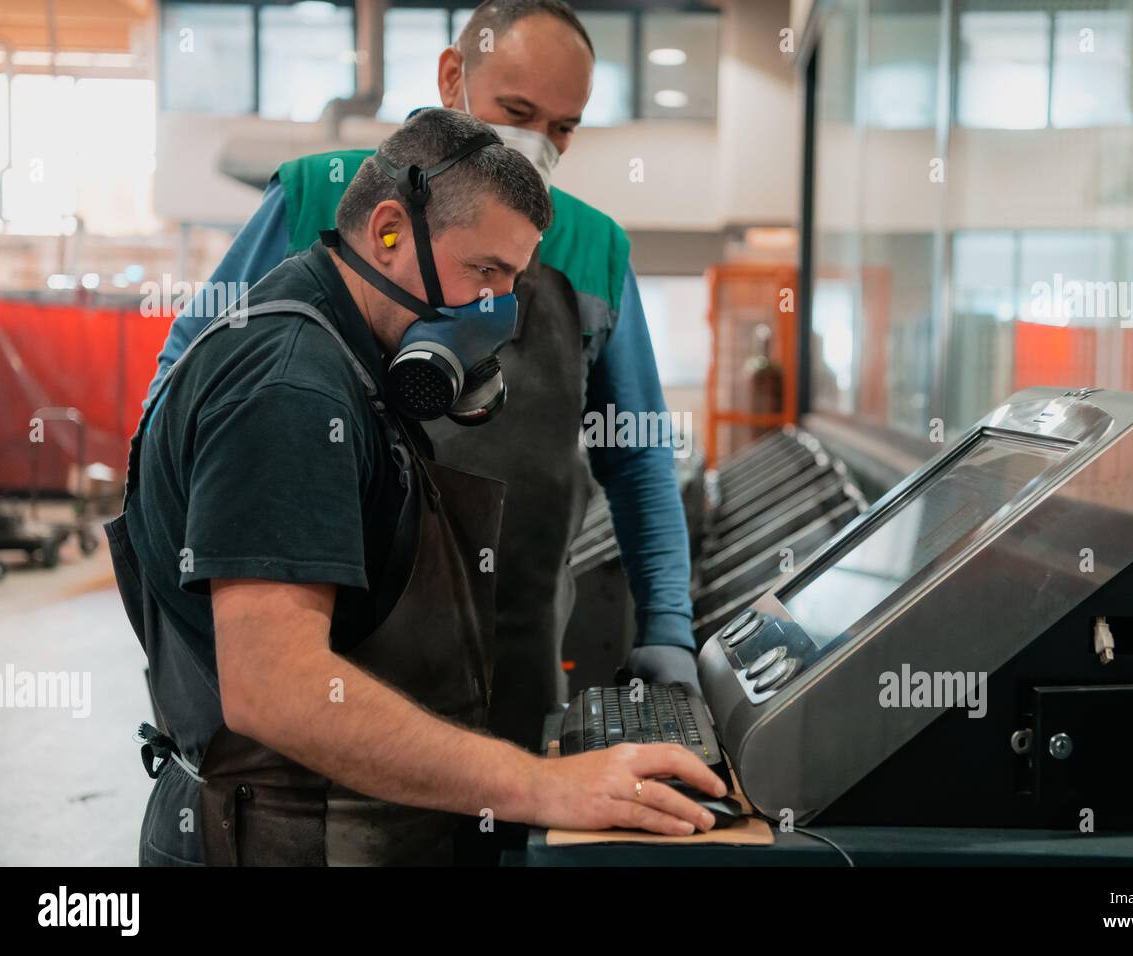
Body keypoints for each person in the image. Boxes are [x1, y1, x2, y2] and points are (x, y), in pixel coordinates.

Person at [107, 110, 727, 866]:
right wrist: (541, 786)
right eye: (486, 272)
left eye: (513, 282)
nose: (499, 309)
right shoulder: (292, 387)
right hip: (276, 838)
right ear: (390, 232)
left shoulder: (343, 354)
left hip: (324, 821)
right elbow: (278, 688)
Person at [146, 0, 699, 753]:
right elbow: (181, 389)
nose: (535, 142)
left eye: (562, 127)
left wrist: (669, 624)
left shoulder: (594, 249)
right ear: (452, 76)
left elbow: (635, 457)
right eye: (516, 109)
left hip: (512, 658)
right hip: (327, 658)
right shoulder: (318, 195)